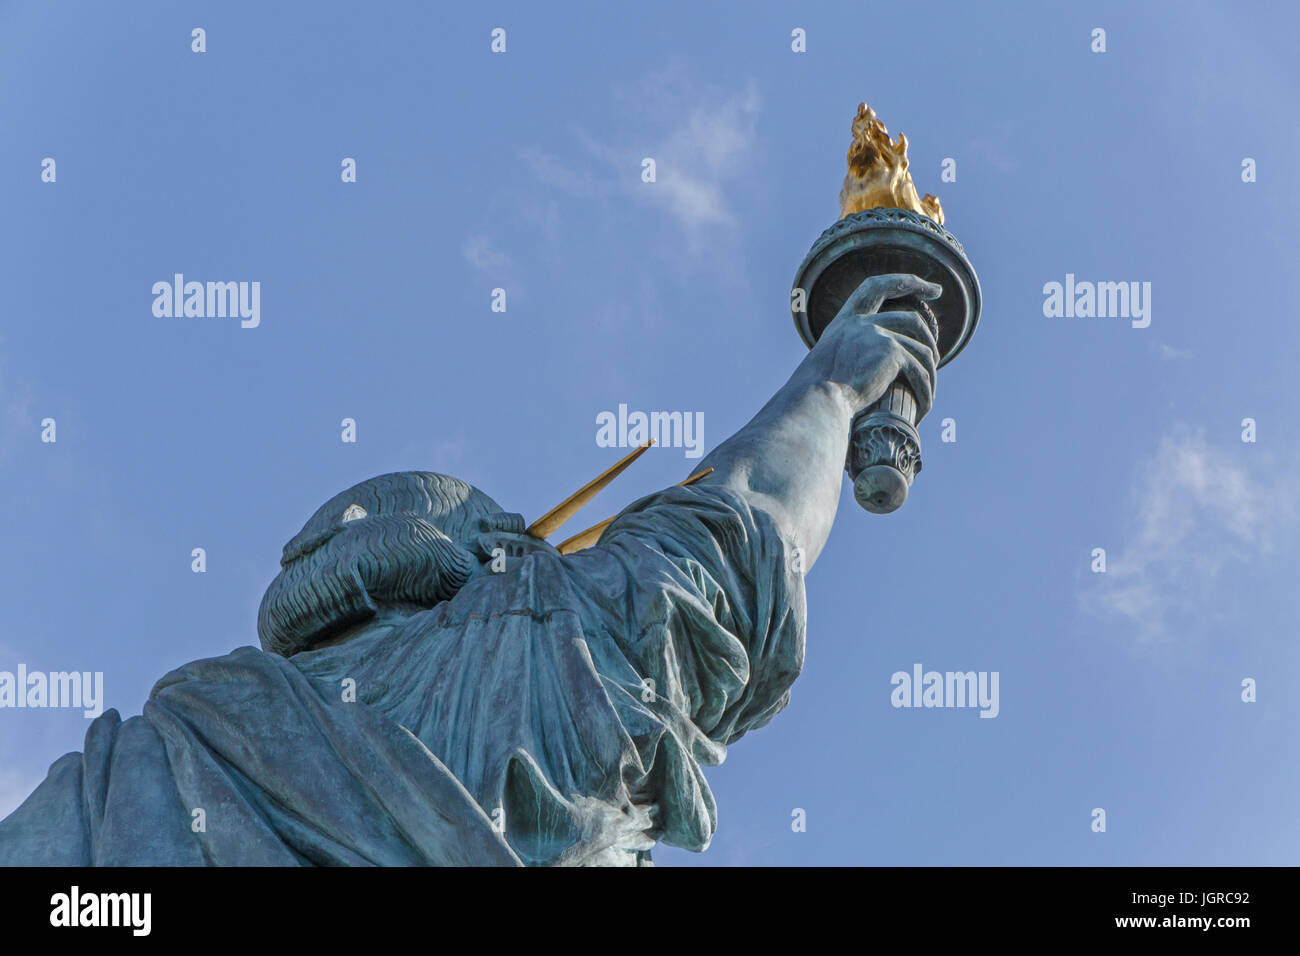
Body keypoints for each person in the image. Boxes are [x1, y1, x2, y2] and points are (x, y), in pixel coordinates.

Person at [0, 273, 941, 866]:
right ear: (485, 562)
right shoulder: (533, 649)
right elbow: (736, 536)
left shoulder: (132, 766)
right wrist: (830, 389)